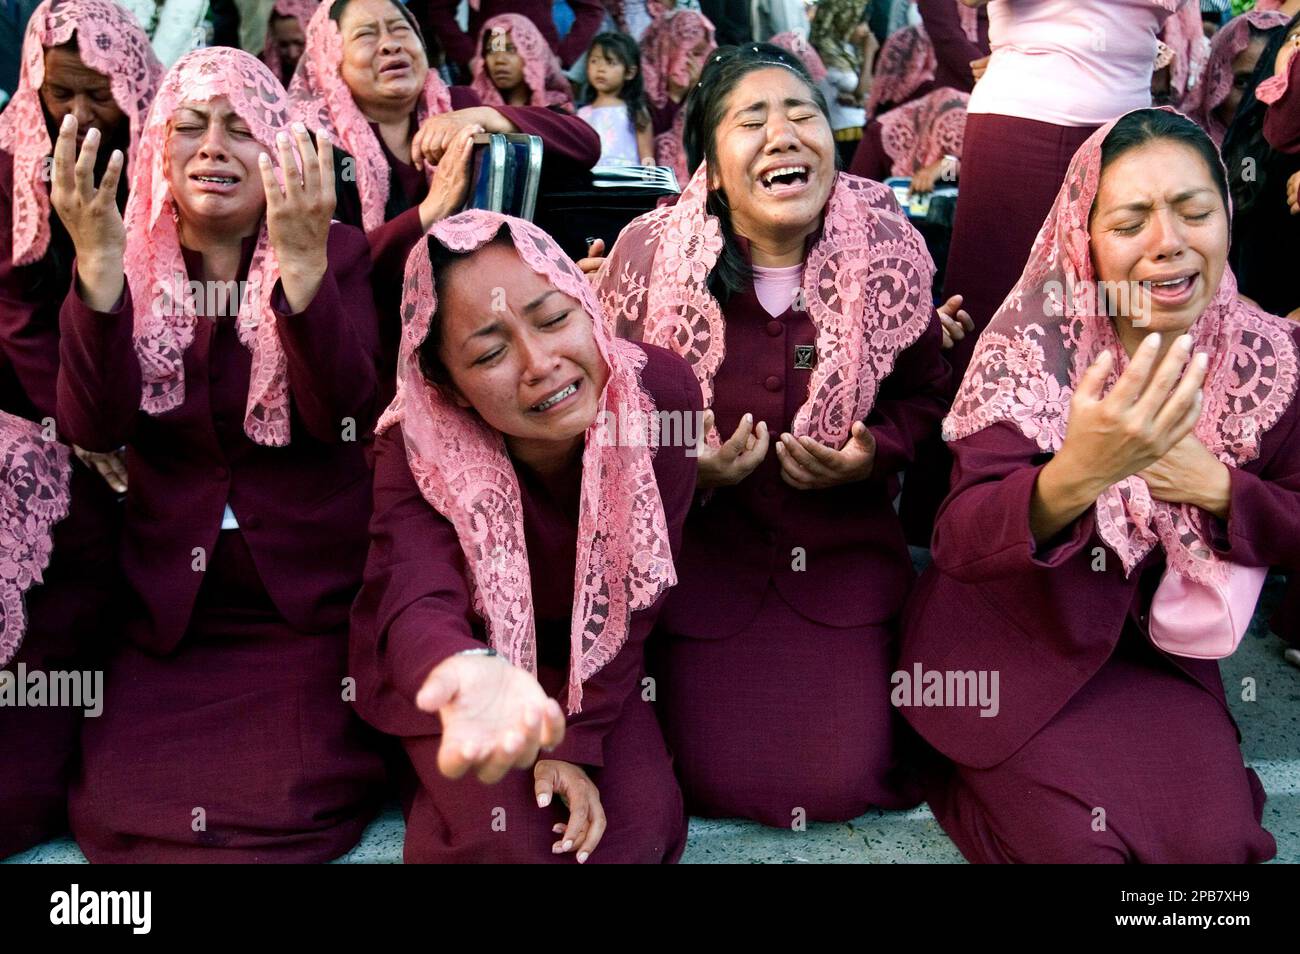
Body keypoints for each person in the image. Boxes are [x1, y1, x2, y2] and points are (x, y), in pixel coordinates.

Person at [900, 107, 1288, 863]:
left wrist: (1218, 488)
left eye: (1194, 211)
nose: (1167, 243)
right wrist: (1082, 471)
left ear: (1228, 216)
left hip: (1160, 658)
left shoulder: (1267, 354)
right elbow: (959, 538)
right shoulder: (1029, 346)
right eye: (1130, 221)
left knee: (1217, 851)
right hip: (1009, 646)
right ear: (1085, 239)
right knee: (1080, 852)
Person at [597, 43, 950, 826]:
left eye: (803, 115)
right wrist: (692, 471)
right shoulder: (648, 260)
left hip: (838, 569)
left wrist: (874, 453)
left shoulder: (890, 250)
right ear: (712, 170)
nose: (785, 135)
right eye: (752, 120)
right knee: (709, 777)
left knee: (831, 781)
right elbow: (602, 425)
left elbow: (929, 397)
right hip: (701, 576)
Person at [53, 47, 387, 862]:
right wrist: (95, 268)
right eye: (190, 128)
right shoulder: (126, 256)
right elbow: (94, 427)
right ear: (160, 148)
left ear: (280, 150)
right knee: (121, 811)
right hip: (174, 606)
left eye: (241, 130)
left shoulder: (336, 251)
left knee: (285, 807)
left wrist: (303, 272)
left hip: (302, 604)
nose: (212, 148)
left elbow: (342, 413)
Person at [350, 211, 702, 862]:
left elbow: (637, 596)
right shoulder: (418, 442)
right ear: (447, 388)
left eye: (552, 318)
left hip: (591, 662)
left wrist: (578, 739)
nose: (540, 364)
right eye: (490, 352)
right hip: (461, 669)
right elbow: (413, 598)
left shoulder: (661, 396)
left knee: (636, 830)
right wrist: (470, 675)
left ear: (587, 303)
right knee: (508, 845)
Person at [899, 0, 1187, 546]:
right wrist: (969, 58)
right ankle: (963, 516)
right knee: (987, 325)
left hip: (1126, 119)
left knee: (1109, 324)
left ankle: (1097, 518)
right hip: (1022, 116)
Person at [0, 0, 160, 860]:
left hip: (147, 391)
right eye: (64, 93)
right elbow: (14, 306)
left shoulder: (174, 141)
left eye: (104, 93)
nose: (86, 115)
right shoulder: (10, 157)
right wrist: (78, 425)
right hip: (41, 407)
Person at [289, 0, 600, 391]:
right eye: (367, 35)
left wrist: (483, 117)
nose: (390, 45)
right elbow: (333, 268)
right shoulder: (315, 148)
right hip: (386, 357)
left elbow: (584, 144)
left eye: (401, 30)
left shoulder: (456, 106)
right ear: (329, 57)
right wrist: (429, 212)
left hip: (489, 338)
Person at [1187, 7, 1290, 145]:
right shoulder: (1188, 151)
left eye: (1277, 82)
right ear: (1213, 84)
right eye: (1243, 83)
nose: (1261, 99)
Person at [640, 8, 716, 182]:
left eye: (697, 54)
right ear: (663, 51)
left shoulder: (706, 92)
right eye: (680, 52)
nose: (688, 62)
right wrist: (675, 95)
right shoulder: (642, 94)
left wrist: (697, 90)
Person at [418, 0, 608, 70]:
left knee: (540, 134)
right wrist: (469, 57)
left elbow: (591, 10)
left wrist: (561, 57)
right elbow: (439, 9)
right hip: (489, 57)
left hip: (537, 60)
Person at [808, 0, 873, 166]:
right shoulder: (827, 54)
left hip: (858, 128)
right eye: (859, 22)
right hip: (843, 133)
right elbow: (862, 90)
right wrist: (870, 55)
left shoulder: (847, 49)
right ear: (842, 18)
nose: (865, 30)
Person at [579, 31, 655, 166]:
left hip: (626, 182)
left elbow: (647, 156)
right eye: (594, 61)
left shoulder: (636, 111)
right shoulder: (582, 114)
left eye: (610, 63)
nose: (600, 69)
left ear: (630, 72)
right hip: (591, 183)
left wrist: (648, 182)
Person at [470, 13, 574, 110]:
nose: (499, 60)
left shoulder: (556, 110)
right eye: (491, 50)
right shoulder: (473, 110)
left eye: (511, 49)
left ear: (532, 54)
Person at [263, 0, 317, 85]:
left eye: (300, 43)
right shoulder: (263, 73)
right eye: (283, 45)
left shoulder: (338, 71)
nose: (292, 54)